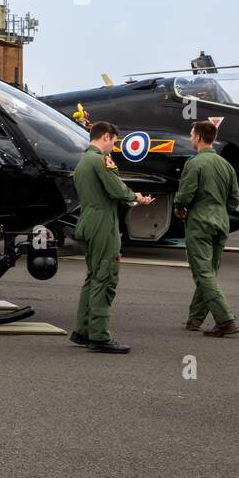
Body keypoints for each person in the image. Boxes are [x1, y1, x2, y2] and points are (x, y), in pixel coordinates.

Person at [72, 121, 154, 353]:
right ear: (106, 137)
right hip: (102, 223)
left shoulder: (82, 161)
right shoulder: (100, 160)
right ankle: (99, 336)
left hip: (88, 219)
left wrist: (130, 196)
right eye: (114, 143)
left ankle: (83, 330)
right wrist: (137, 197)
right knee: (105, 277)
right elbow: (115, 189)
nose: (113, 148)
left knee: (92, 277)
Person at [174, 120, 239, 337]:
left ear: (200, 138)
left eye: (192, 135)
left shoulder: (195, 164)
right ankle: (195, 319)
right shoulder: (226, 165)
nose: (191, 138)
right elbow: (234, 200)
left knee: (202, 273)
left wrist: (180, 208)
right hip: (221, 223)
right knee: (209, 272)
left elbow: (184, 195)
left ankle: (225, 320)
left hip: (200, 223)